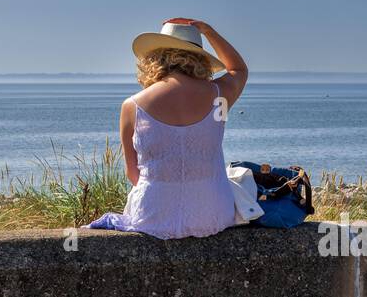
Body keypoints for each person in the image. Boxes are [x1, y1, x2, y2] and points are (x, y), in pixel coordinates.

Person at [88, 18, 248, 238]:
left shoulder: (132, 106)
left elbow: (133, 173)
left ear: (154, 57)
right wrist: (209, 31)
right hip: (211, 214)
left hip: (152, 216)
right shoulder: (219, 95)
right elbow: (238, 69)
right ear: (201, 59)